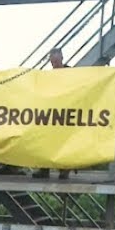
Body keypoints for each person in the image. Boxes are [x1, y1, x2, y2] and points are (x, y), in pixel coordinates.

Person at [34, 46, 71, 180]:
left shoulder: (72, 74)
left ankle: (64, 169)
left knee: (64, 142)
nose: (54, 64)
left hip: (66, 112)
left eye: (56, 61)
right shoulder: (48, 76)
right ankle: (44, 169)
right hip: (51, 113)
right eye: (52, 62)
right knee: (47, 141)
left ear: (62, 58)